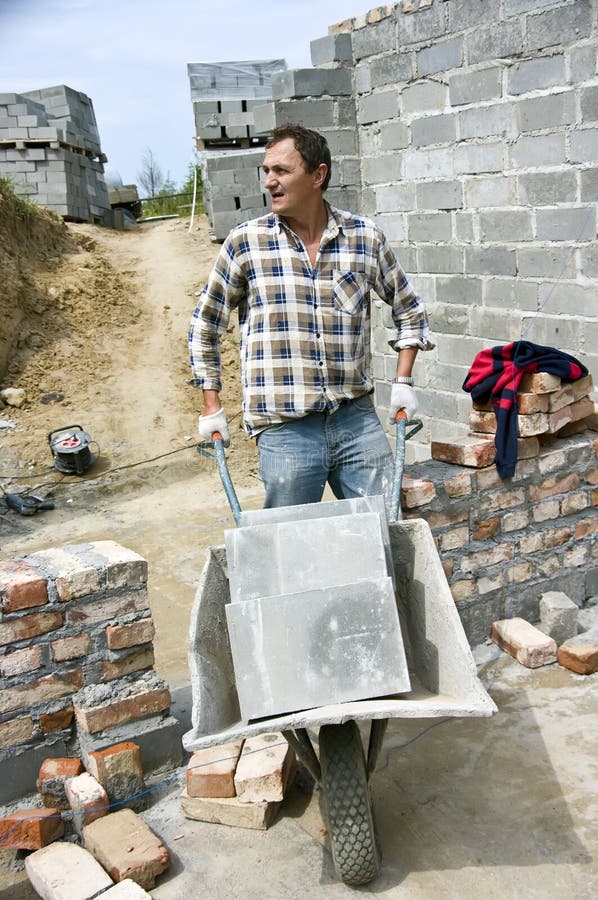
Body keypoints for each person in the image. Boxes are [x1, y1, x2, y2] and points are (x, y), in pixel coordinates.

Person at [189, 124, 434, 509]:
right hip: (286, 432)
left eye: (281, 171)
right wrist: (211, 405)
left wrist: (403, 381)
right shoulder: (246, 244)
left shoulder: (364, 238)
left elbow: (410, 310)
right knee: (291, 539)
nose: (269, 181)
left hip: (355, 421)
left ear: (318, 175)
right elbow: (205, 326)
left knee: (383, 529)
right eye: (266, 171)